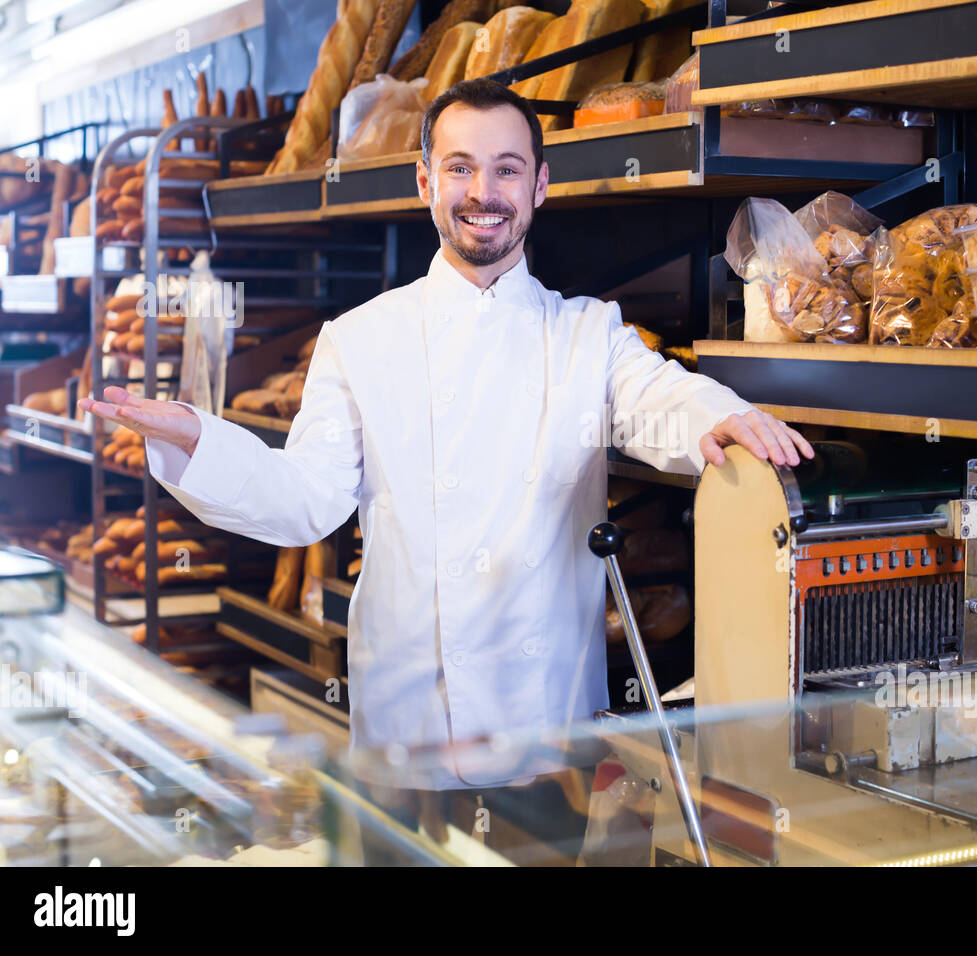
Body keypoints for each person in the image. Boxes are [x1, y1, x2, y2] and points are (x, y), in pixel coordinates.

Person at [80, 78, 814, 859]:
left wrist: (723, 418)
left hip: (546, 733)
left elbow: (660, 398)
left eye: (506, 168)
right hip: (406, 727)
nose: (483, 193)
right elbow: (305, 501)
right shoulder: (358, 339)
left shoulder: (587, 335)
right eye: (460, 168)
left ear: (540, 184)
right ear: (426, 180)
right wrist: (199, 438)